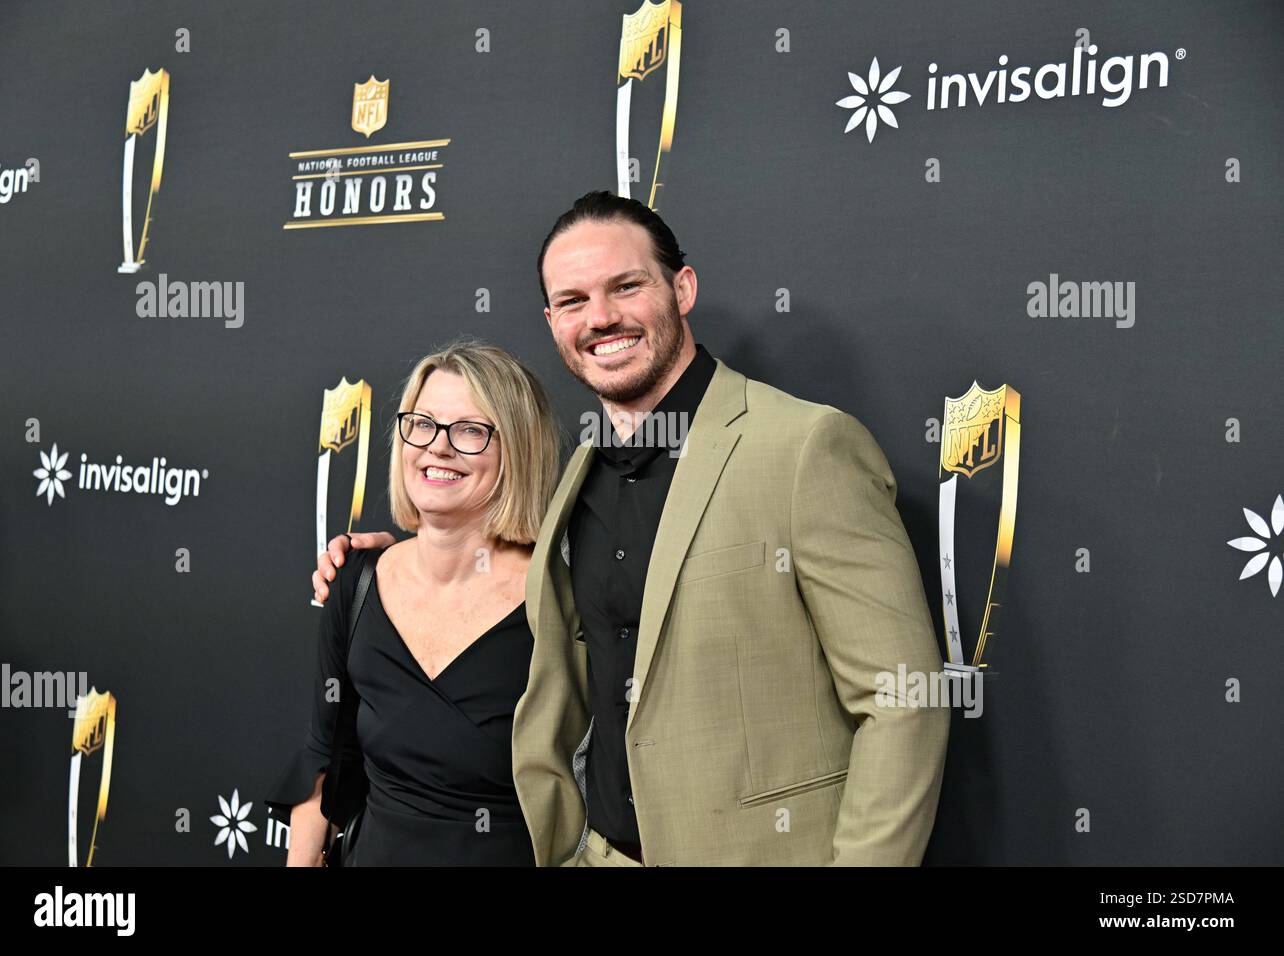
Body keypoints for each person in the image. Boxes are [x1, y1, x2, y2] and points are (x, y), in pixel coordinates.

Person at [315, 191, 949, 866]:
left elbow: (903, 697)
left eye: (626, 286)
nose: (602, 317)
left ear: (683, 287)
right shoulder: (575, 482)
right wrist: (394, 560)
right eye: (574, 300)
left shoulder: (803, 447)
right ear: (553, 321)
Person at [269, 342, 560, 865]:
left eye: (470, 430)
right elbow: (327, 759)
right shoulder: (354, 581)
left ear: (518, 448)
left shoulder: (558, 598)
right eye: (421, 422)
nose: (436, 448)